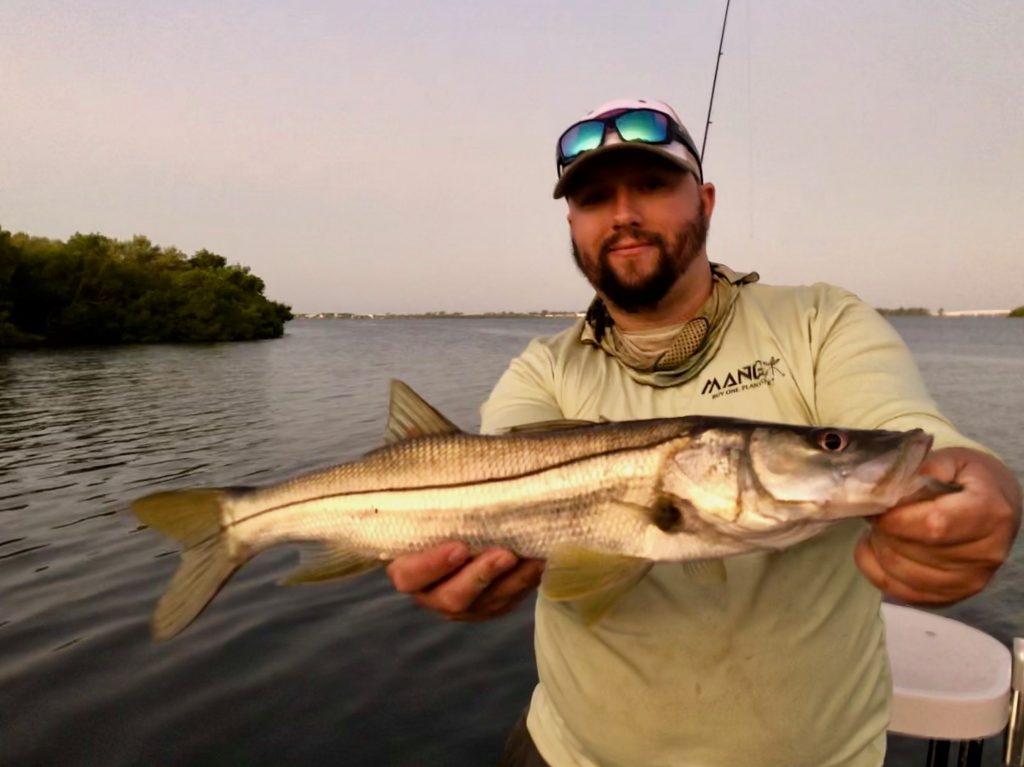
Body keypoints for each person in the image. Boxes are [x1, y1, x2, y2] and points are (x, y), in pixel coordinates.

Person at [386, 98, 1022, 766]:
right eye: (595, 198)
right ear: (571, 223)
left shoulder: (819, 320)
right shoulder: (541, 368)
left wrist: (980, 486)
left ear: (706, 200)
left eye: (654, 186)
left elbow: (909, 428)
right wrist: (465, 567)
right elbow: (486, 494)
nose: (624, 214)